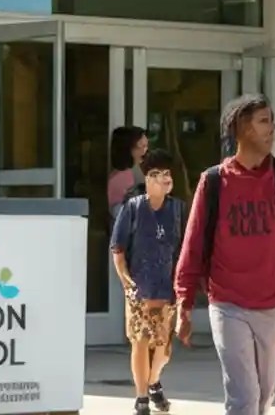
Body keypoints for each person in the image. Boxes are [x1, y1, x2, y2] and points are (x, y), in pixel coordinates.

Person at [174, 94, 275, 415]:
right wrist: (183, 303)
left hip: (273, 305)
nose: (273, 128)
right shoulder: (213, 182)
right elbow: (193, 244)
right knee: (244, 397)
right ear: (241, 128)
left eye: (272, 120)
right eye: (264, 121)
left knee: (264, 396)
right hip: (228, 305)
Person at [111, 149, 185, 415]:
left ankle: (153, 381)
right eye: (156, 174)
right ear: (147, 179)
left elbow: (185, 250)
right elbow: (117, 249)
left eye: (167, 174)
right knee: (140, 343)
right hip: (139, 289)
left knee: (163, 351)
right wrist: (126, 281)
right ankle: (142, 397)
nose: (163, 179)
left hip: (168, 290)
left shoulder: (177, 210)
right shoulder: (132, 208)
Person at [108, 126, 149, 219]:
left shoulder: (137, 171)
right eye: (141, 146)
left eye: (146, 146)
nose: (145, 151)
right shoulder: (120, 178)